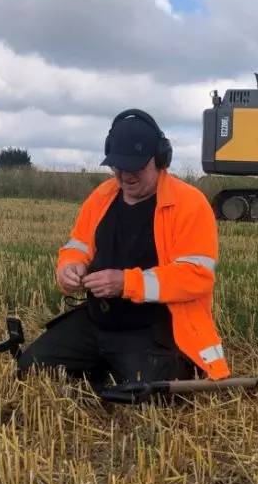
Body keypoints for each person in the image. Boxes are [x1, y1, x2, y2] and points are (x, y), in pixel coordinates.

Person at [16, 108, 230, 389]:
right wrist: (70, 267)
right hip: (96, 322)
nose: (124, 175)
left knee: (150, 394)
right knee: (30, 370)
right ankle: (107, 365)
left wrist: (126, 283)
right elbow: (77, 246)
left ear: (160, 159)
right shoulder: (102, 196)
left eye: (135, 168)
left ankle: (124, 367)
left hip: (152, 329)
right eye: (118, 167)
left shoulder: (190, 204)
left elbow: (196, 277)